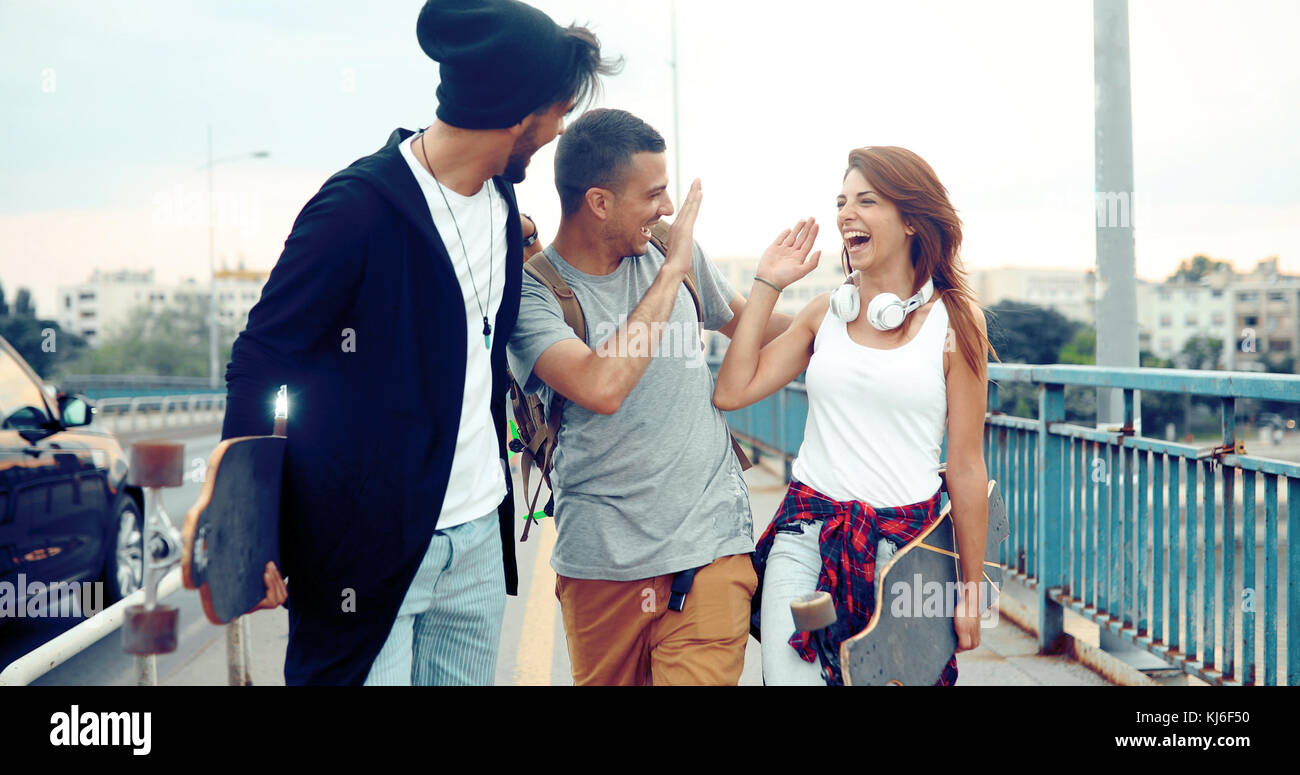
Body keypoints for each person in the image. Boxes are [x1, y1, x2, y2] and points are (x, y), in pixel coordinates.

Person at [222, 0, 618, 686]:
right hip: (366, 552)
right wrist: (247, 530)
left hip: (475, 544)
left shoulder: (499, 205)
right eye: (557, 112)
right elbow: (263, 357)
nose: (559, 129)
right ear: (518, 112)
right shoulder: (356, 210)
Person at [506, 108, 793, 685]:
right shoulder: (536, 296)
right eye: (653, 195)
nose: (666, 209)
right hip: (602, 567)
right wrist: (670, 275)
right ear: (599, 202)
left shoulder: (672, 252)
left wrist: (859, 324)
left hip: (711, 549)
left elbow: (762, 328)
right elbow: (600, 386)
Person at [713, 146, 994, 685]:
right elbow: (732, 390)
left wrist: (971, 590)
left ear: (911, 218)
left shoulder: (956, 324)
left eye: (866, 200)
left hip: (907, 554)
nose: (846, 214)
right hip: (806, 537)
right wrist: (768, 285)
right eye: (842, 201)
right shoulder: (826, 315)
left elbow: (965, 467)